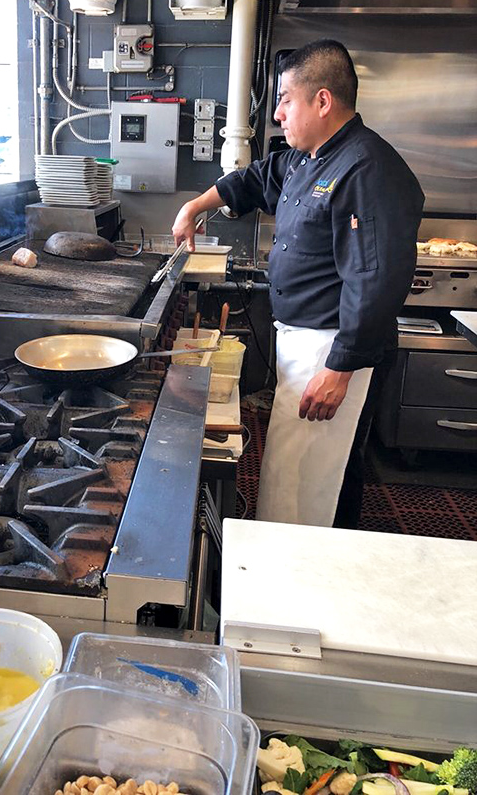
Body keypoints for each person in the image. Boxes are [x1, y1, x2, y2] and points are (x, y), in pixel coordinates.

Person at [172, 39, 424, 527]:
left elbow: (375, 281)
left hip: (329, 349)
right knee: (295, 474)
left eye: (286, 100)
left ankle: (288, 592)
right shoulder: (308, 157)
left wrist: (339, 369)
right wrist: (194, 207)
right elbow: (252, 180)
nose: (279, 115)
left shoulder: (367, 169)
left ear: (323, 100)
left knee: (303, 485)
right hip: (302, 342)